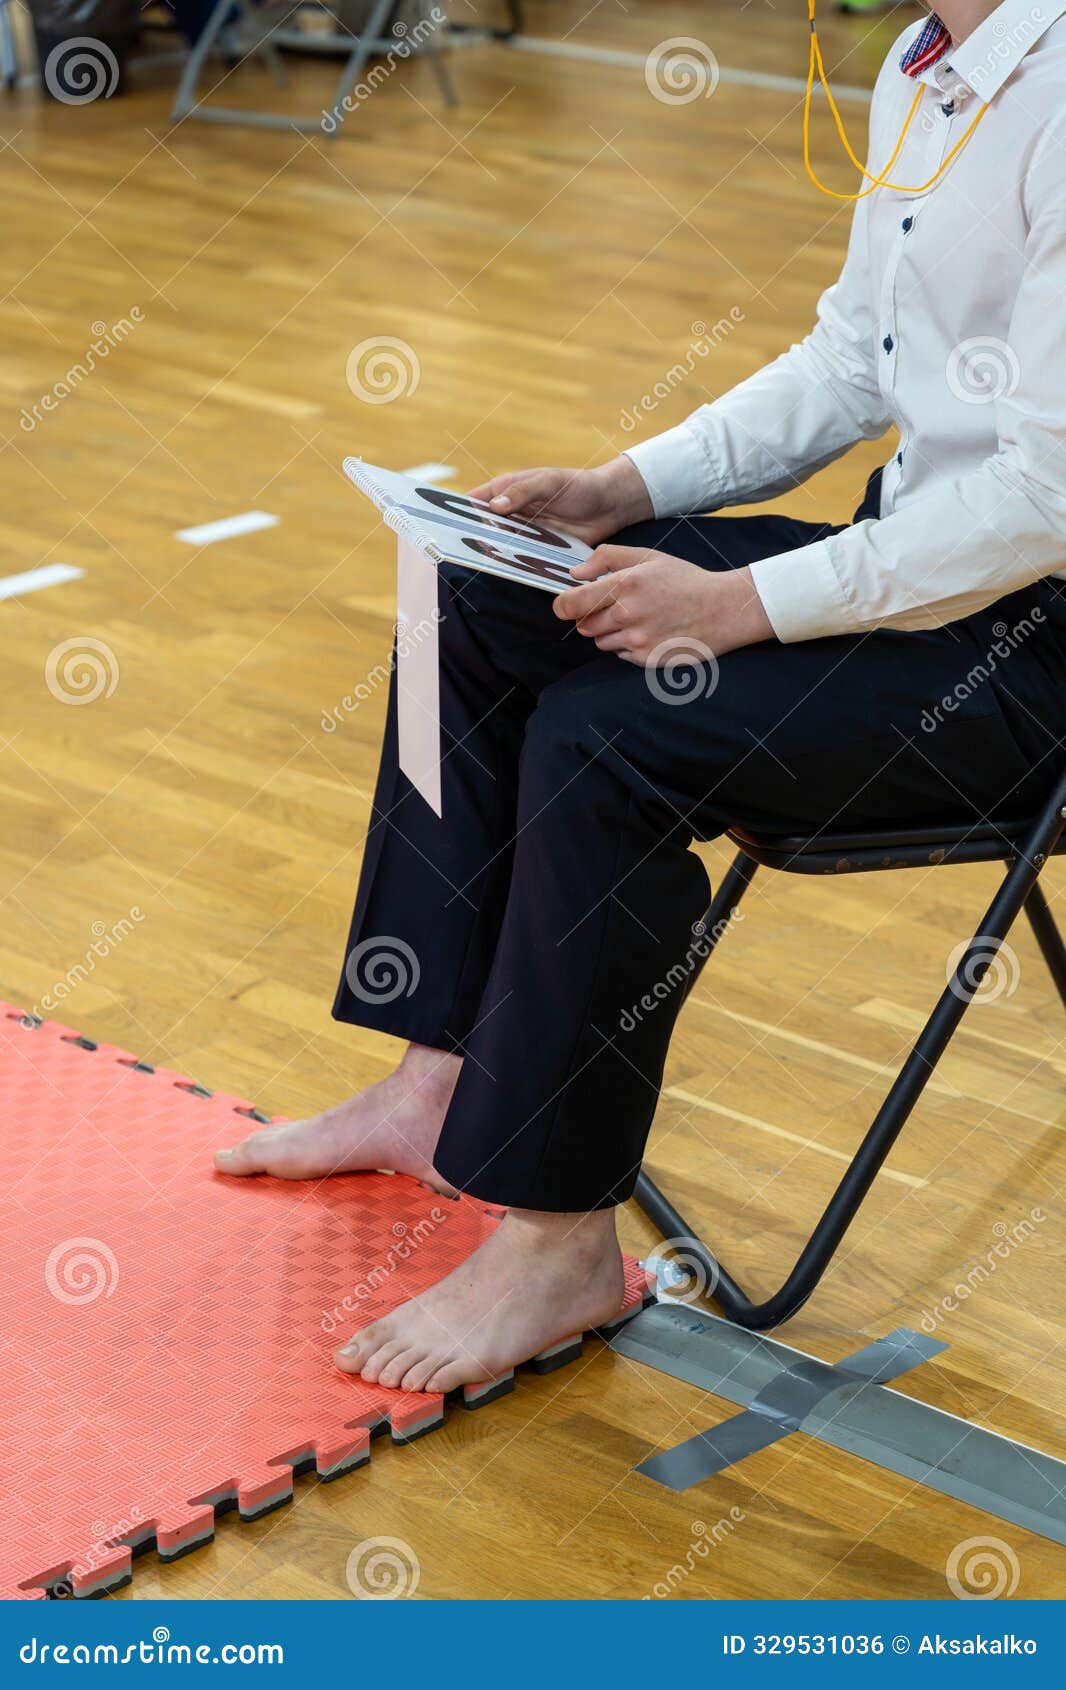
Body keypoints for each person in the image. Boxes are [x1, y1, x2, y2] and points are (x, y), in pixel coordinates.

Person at [215, 0, 1066, 1395]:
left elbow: (1038, 499)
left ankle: (555, 1241)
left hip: (1023, 663)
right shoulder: (928, 66)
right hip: (913, 572)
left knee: (610, 734)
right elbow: (852, 359)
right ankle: (444, 1078)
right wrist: (624, 488)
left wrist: (732, 604)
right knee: (477, 593)